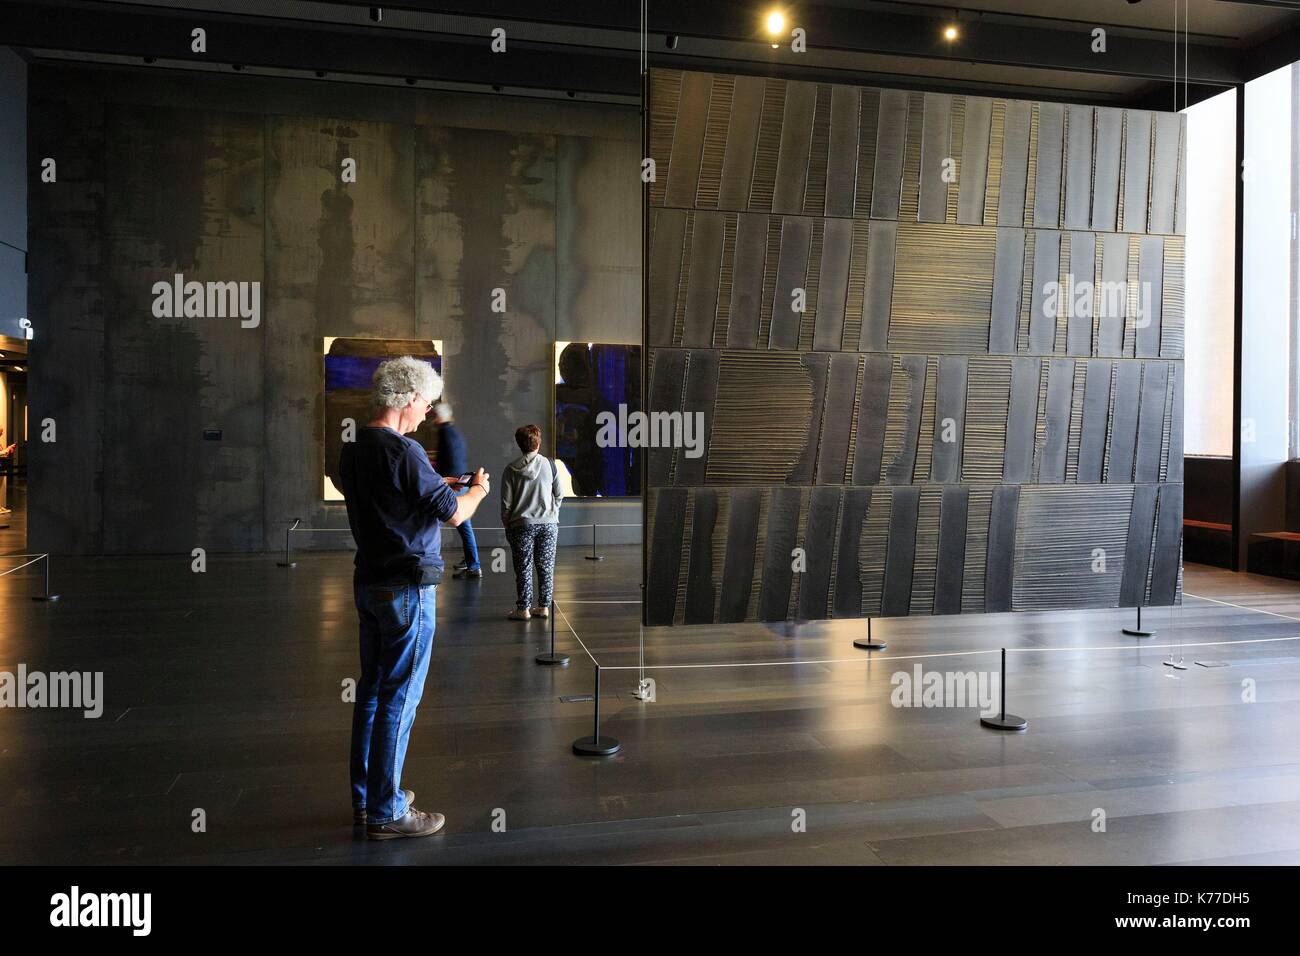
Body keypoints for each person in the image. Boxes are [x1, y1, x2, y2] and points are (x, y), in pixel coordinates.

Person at [339, 356, 490, 840]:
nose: (427, 411)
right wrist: (479, 490)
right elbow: (456, 515)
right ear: (406, 400)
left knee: (371, 694)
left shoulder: (355, 446)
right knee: (399, 699)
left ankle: (368, 799)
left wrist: (438, 483)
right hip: (407, 589)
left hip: (370, 583)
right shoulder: (405, 452)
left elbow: (393, 496)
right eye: (424, 402)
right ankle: (387, 811)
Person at [501, 424, 562, 621]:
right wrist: (552, 512)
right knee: (546, 566)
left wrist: (507, 525)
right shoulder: (551, 465)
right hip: (549, 524)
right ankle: (544, 606)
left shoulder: (511, 470)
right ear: (539, 441)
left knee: (523, 567)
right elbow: (559, 495)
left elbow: (506, 504)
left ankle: (523, 609)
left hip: (522, 524)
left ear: (519, 444)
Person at [432, 402, 481, 579]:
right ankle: (472, 563)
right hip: (458, 484)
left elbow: (449, 462)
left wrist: (442, 481)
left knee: (432, 525)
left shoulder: (445, 433)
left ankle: (472, 565)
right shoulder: (455, 432)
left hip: (451, 487)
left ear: (439, 417)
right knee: (465, 527)